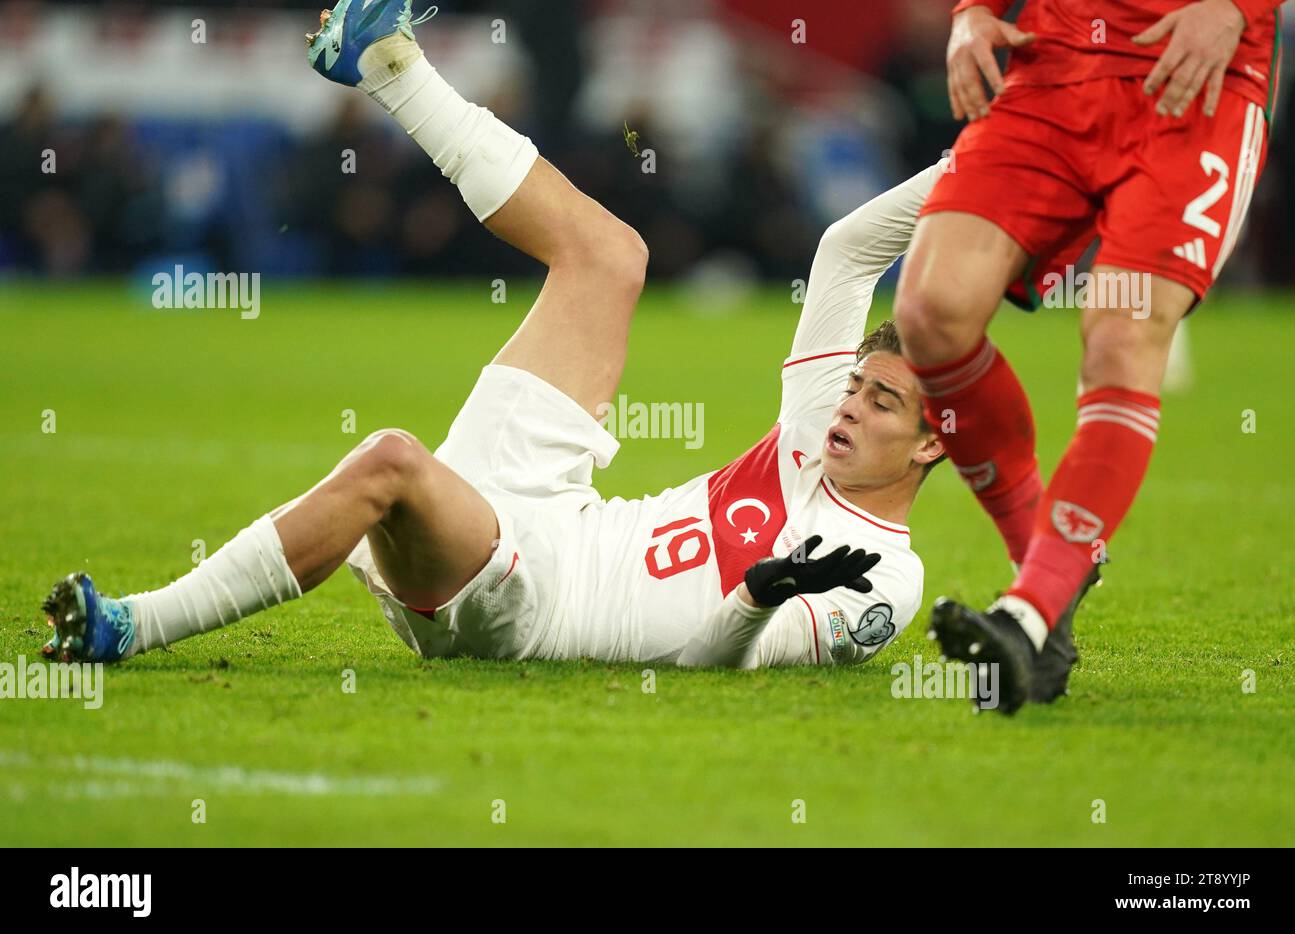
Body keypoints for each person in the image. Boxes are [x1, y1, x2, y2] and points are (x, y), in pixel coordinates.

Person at [41, 0, 949, 674]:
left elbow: (718, 661)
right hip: (552, 509)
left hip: (536, 606)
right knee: (609, 256)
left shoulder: (886, 579)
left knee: (391, 461)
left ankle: (131, 623)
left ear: (932, 439)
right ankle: (386, 62)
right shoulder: (812, 434)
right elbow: (848, 250)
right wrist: (977, 167)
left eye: (882, 402)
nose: (848, 407)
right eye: (857, 385)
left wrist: (757, 591)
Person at [894, 0, 1281, 711]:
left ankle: (1028, 614)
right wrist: (971, 14)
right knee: (929, 311)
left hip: (1191, 74)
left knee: (1122, 334)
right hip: (1053, 68)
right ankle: (1046, 568)